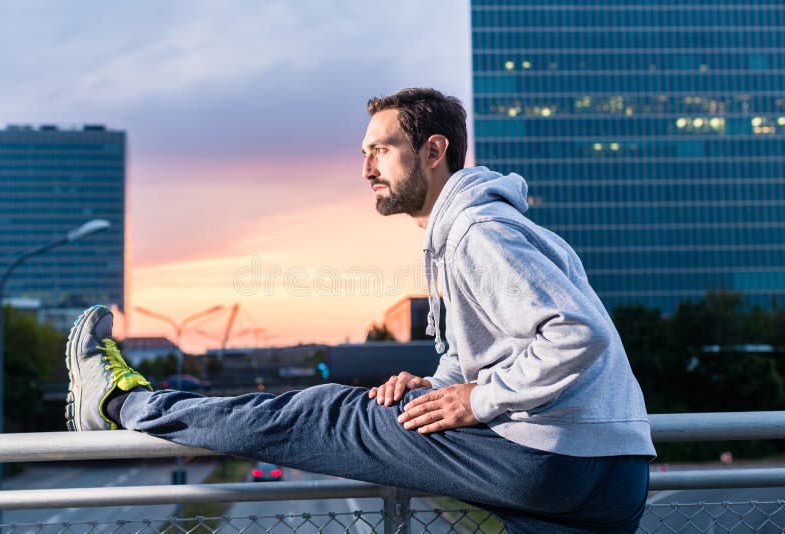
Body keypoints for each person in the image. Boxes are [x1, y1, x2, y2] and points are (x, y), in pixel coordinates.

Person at [65, 87, 655, 533]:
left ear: (433, 150)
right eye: (363, 152)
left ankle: (118, 401)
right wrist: (437, 386)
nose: (366, 167)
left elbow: (578, 334)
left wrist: (477, 399)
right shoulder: (480, 231)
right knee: (400, 401)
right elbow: (490, 352)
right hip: (617, 471)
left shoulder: (478, 228)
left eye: (381, 149)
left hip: (548, 456)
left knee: (320, 411)